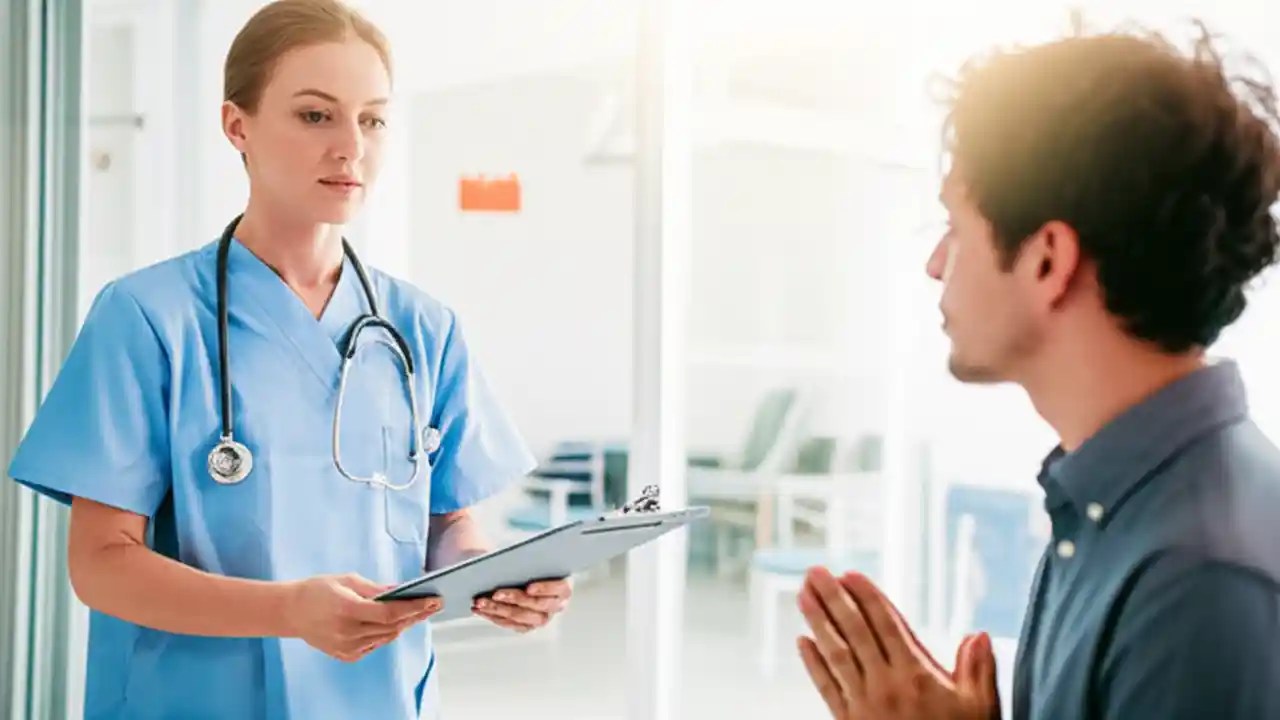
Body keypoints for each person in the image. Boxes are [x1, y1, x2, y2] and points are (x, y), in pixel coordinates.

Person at [5, 1, 572, 718]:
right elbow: (100, 567)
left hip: (374, 699)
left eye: (372, 119)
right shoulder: (147, 318)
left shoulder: (423, 329)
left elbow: (447, 526)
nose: (351, 148)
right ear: (236, 125)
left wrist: (491, 579)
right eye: (315, 115)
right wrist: (286, 611)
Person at [795, 24, 1280, 720]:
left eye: (956, 228)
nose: (936, 262)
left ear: (1048, 260)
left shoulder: (1202, 580)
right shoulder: (1111, 504)